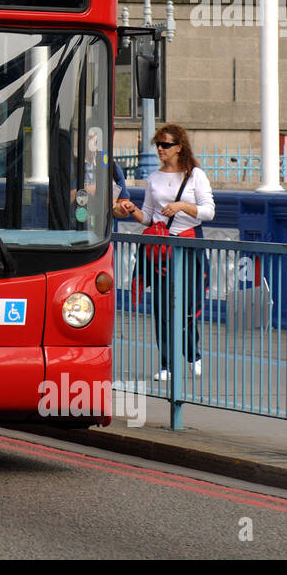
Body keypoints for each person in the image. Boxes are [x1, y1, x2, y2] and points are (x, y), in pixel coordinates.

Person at [113, 124, 214, 382]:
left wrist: (182, 206)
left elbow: (208, 212)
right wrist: (130, 209)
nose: (160, 149)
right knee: (162, 307)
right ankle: (167, 363)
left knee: (187, 305)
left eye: (165, 145)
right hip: (159, 250)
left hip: (189, 245)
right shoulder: (154, 179)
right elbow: (148, 218)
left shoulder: (195, 176)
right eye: (157, 144)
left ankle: (193, 353)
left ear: (179, 147)